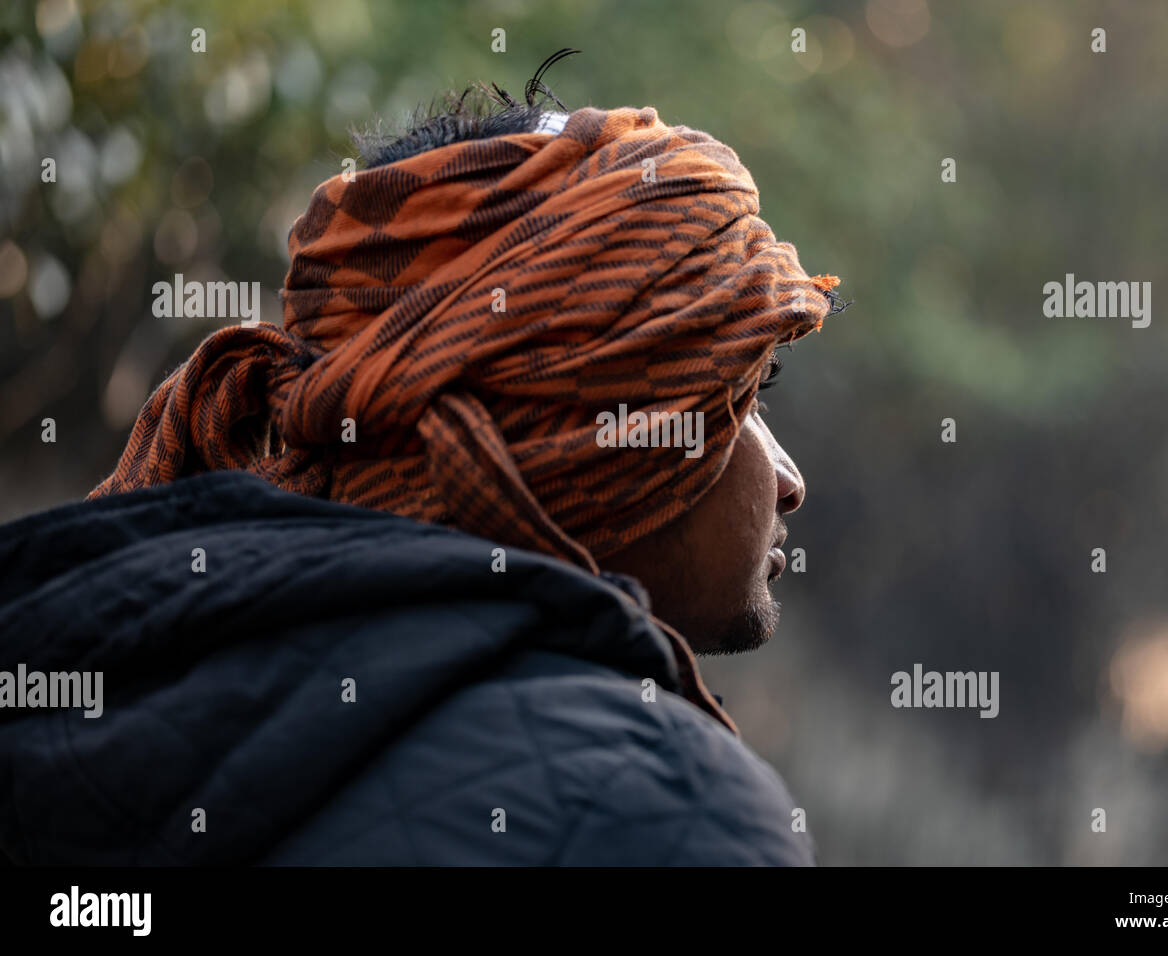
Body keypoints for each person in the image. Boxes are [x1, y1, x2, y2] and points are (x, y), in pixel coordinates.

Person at [0, 66, 846, 865]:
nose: (787, 478)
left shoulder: (63, 644)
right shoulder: (676, 816)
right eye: (748, 391)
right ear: (581, 434)